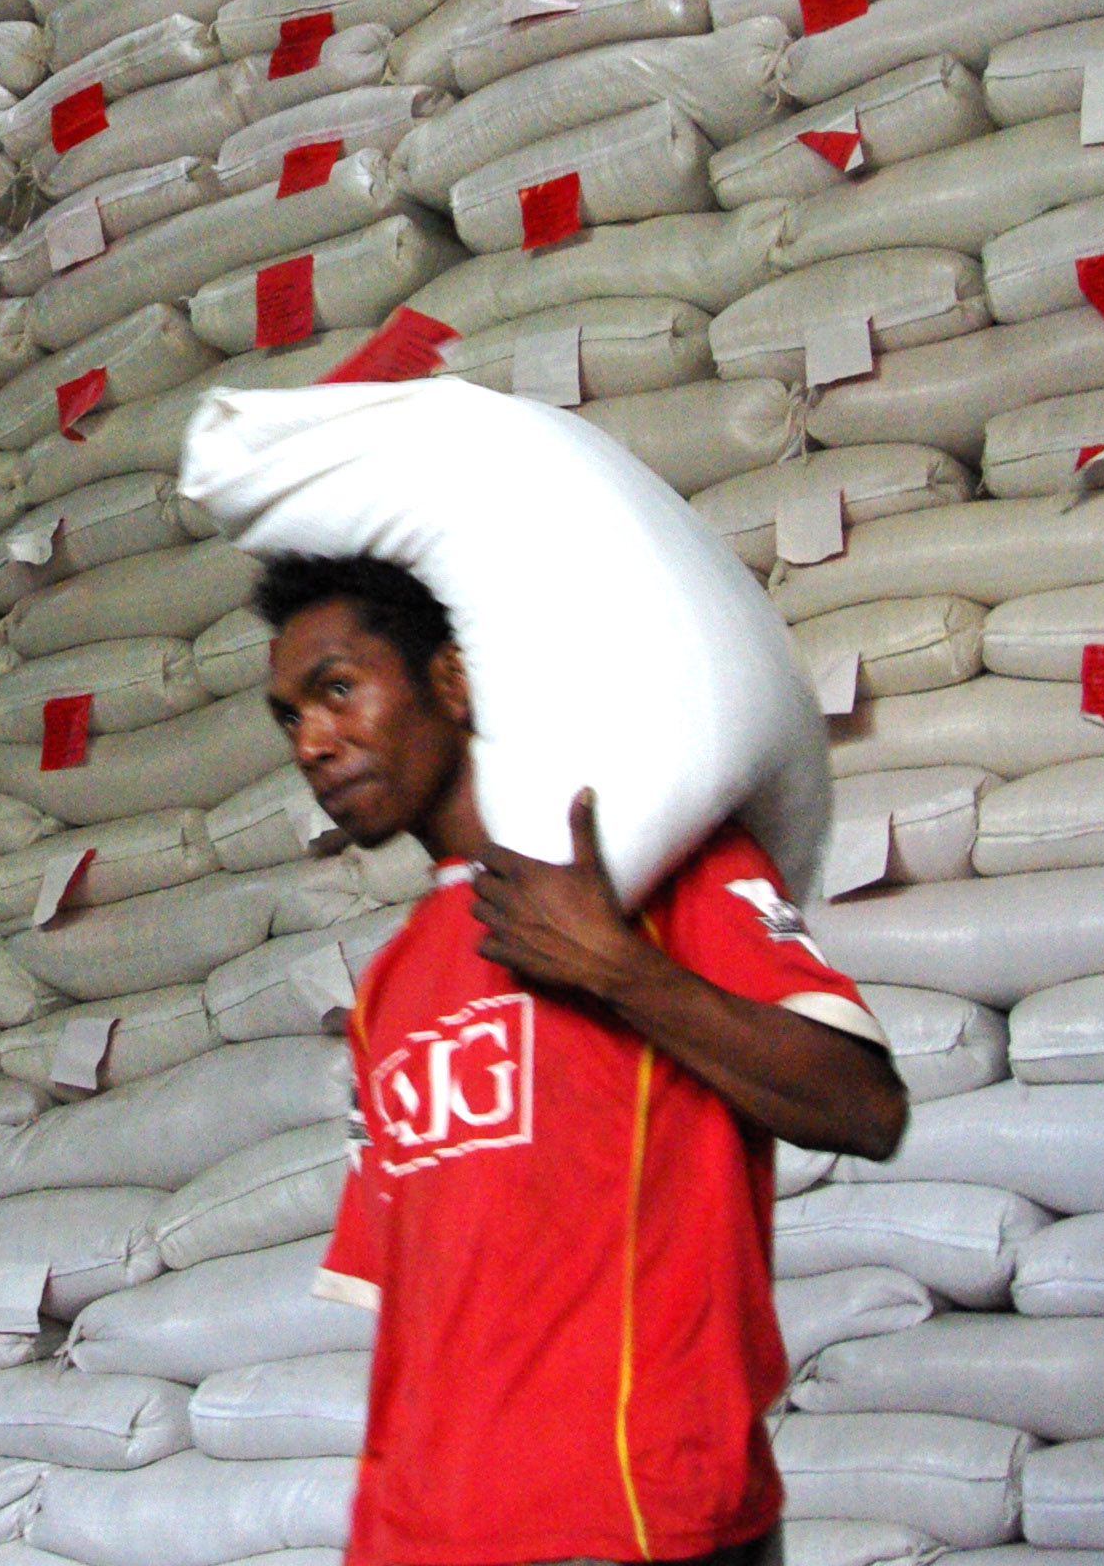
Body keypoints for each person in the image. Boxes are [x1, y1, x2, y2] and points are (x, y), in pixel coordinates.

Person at [256, 549, 907, 1566]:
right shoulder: (390, 985)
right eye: (289, 717)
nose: (311, 742)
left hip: (640, 1528)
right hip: (423, 1541)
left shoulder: (650, 870)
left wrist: (619, 968)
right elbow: (424, 1330)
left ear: (451, 680)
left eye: (337, 690)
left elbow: (864, 1107)